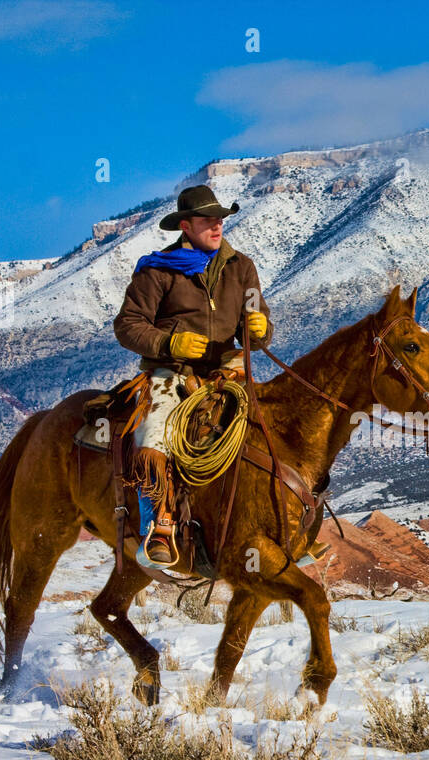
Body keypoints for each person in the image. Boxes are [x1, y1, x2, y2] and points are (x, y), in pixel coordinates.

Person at [113, 185, 273, 567]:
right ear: (185, 226)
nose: (217, 227)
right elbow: (127, 326)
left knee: (271, 426)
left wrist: (259, 327)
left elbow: (259, 328)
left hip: (226, 371)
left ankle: (280, 520)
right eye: (207, 220)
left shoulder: (242, 268)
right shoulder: (157, 271)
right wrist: (171, 343)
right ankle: (161, 526)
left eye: (220, 220)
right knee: (154, 436)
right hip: (171, 372)